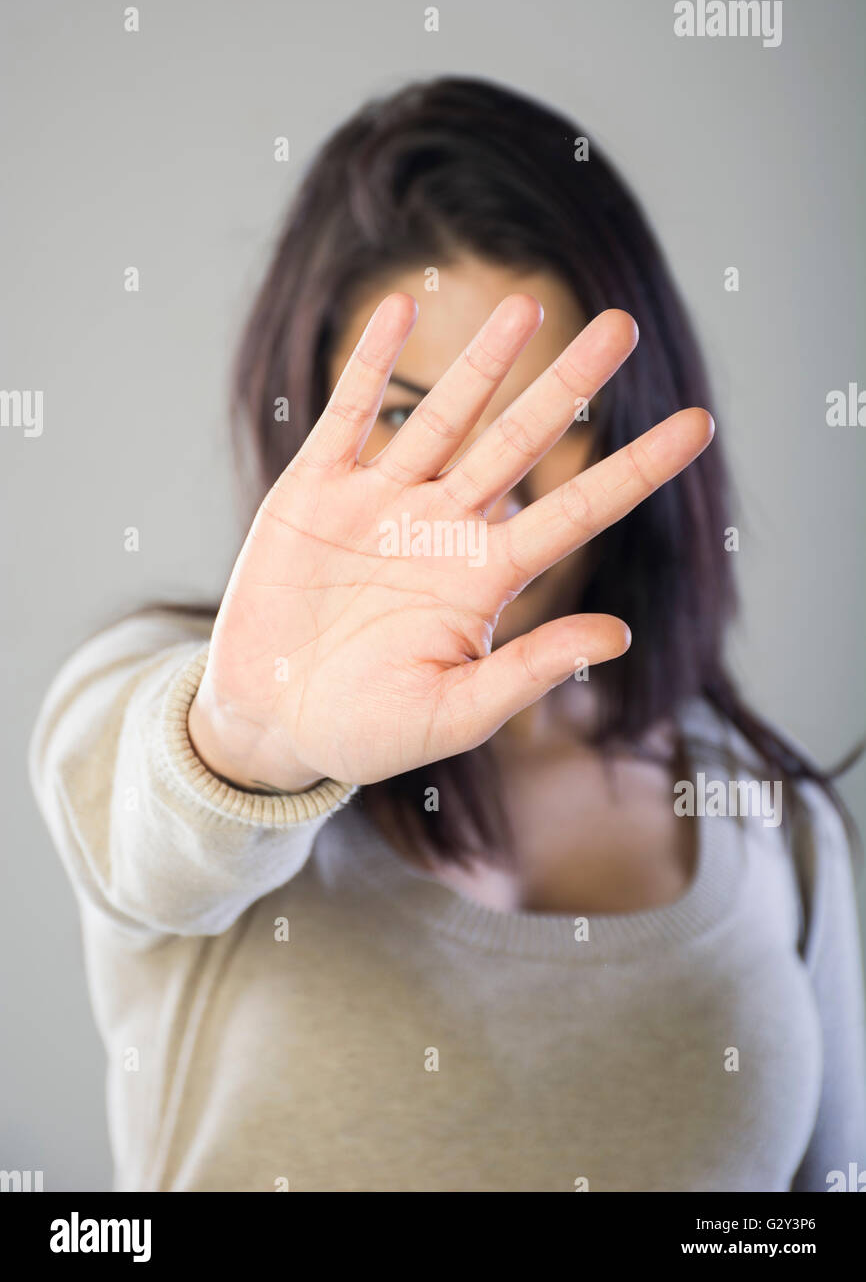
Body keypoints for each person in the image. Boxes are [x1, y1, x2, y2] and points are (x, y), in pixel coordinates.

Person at [29, 76, 865, 1192]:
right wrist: (250, 734)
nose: (481, 492)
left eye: (549, 419)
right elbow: (150, 831)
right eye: (404, 413)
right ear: (306, 401)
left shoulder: (770, 814)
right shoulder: (176, 706)